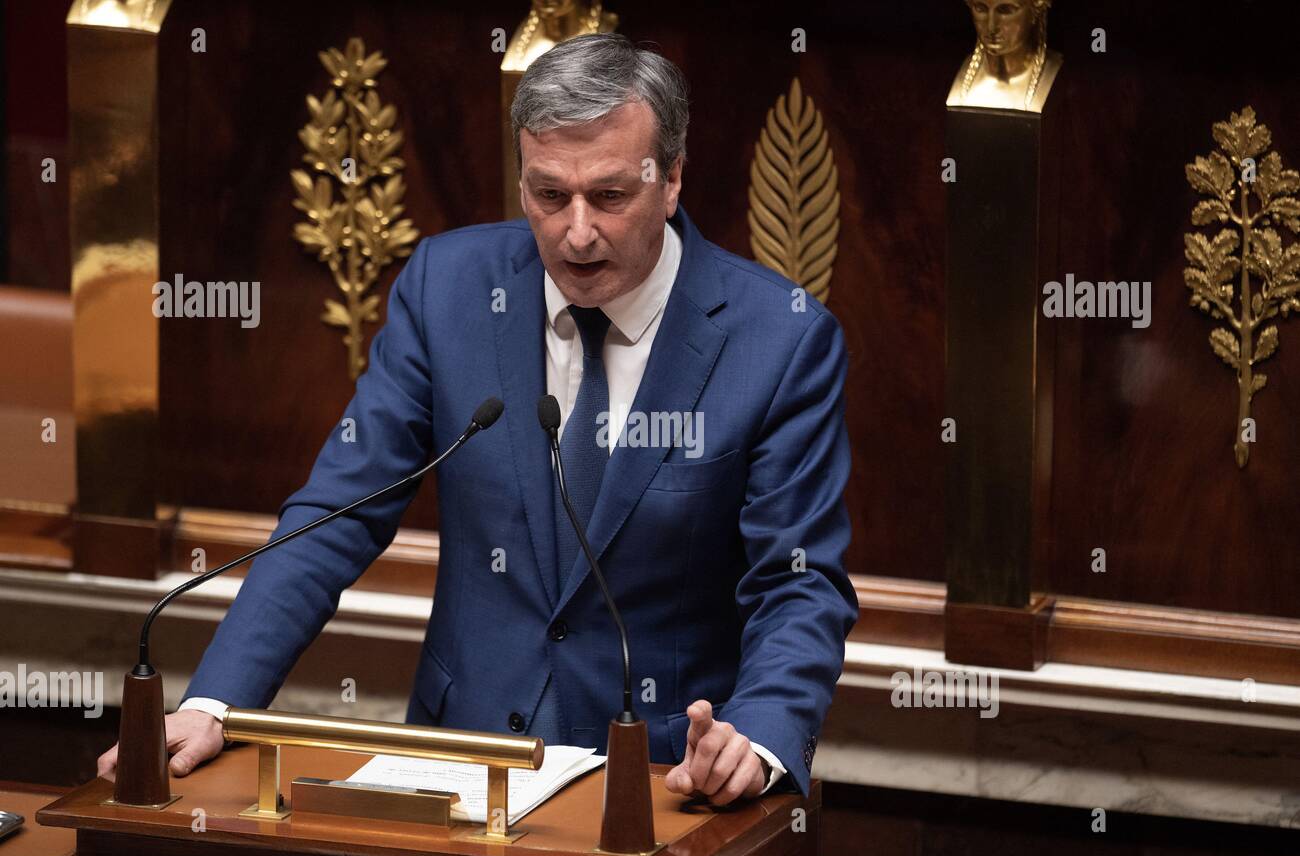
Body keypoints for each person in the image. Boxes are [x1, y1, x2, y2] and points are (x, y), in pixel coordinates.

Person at [98, 32, 857, 805]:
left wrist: (757, 739)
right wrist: (215, 699)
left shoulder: (780, 342)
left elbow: (799, 584)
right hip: (458, 765)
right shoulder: (448, 290)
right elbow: (337, 512)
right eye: (549, 195)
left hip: (662, 783)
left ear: (672, 180)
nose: (577, 231)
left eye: (611, 196)